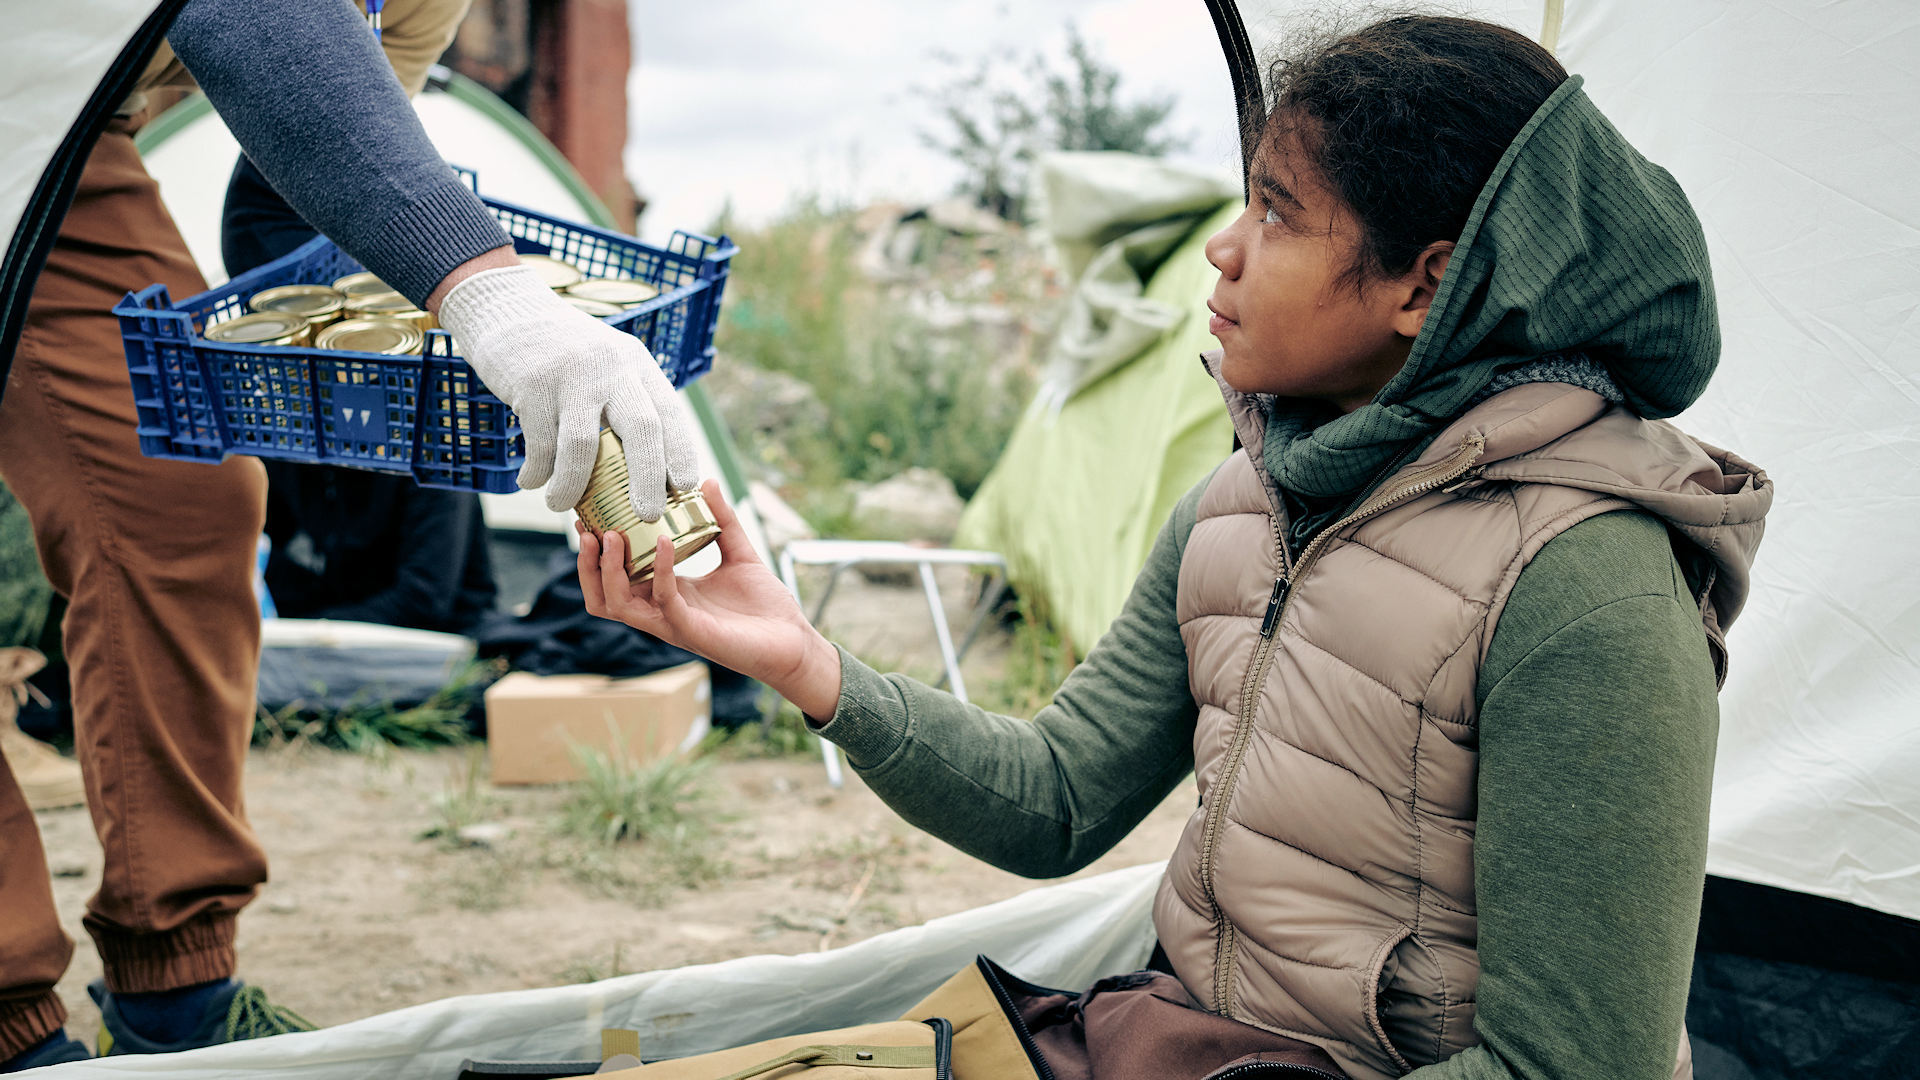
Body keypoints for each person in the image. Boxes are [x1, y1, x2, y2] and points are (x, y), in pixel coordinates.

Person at [577, 16, 1772, 1080]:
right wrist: (801, 659)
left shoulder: (1585, 583)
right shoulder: (1239, 505)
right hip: (1174, 1036)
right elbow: (1054, 799)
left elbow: (1575, 1064)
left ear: (1429, 286)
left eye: (1276, 211)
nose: (1223, 250)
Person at [0, 0, 695, 1068]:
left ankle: (176, 982)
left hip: (59, 141)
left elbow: (292, 201)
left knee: (183, 492)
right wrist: (494, 295)